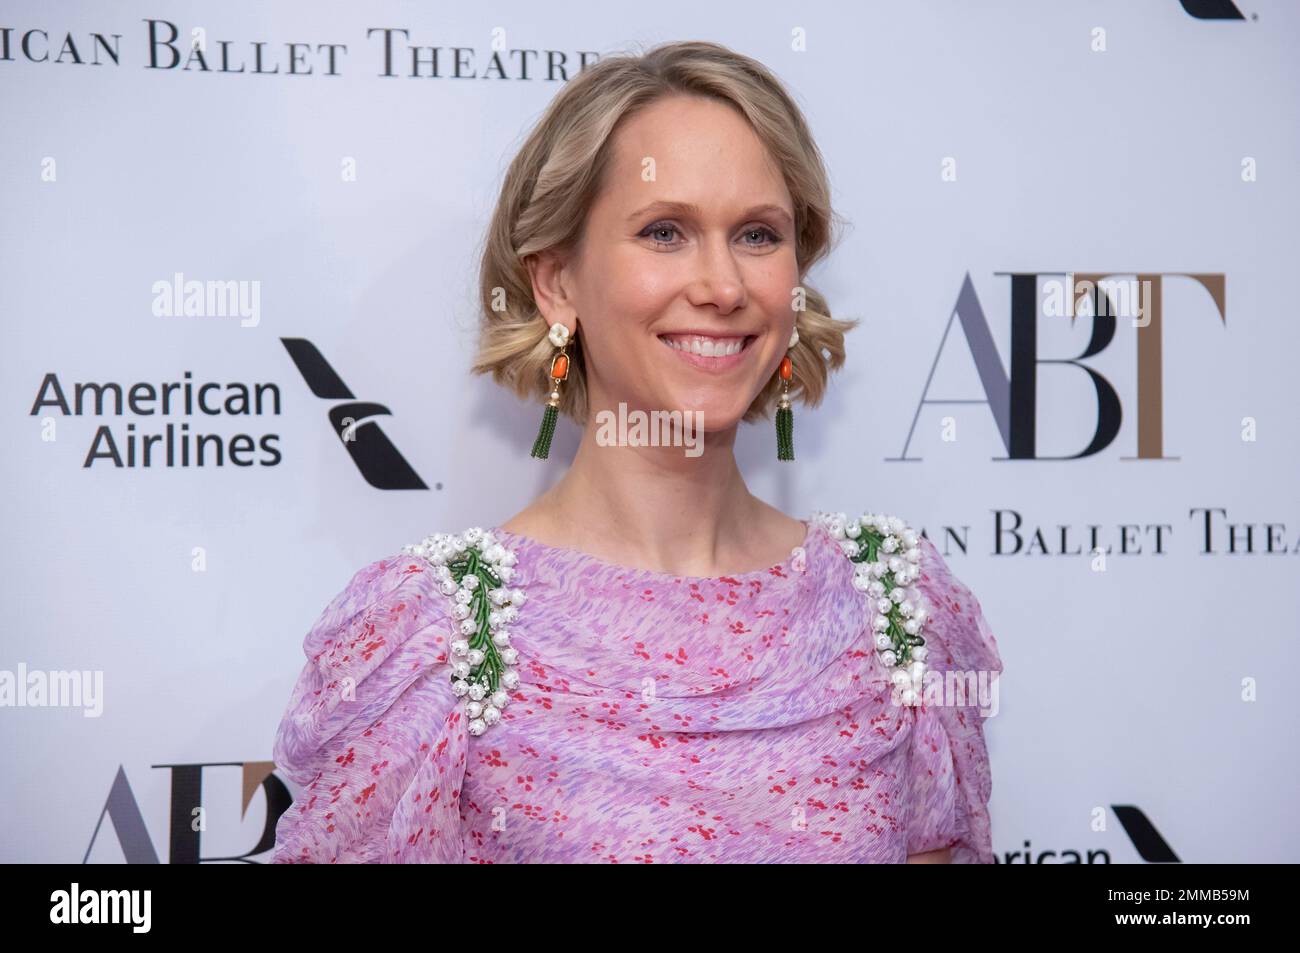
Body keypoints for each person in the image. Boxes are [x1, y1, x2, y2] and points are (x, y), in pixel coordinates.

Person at [269, 39, 1003, 863]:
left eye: (758, 235)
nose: (724, 286)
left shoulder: (897, 613)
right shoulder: (437, 641)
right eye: (665, 232)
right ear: (556, 282)